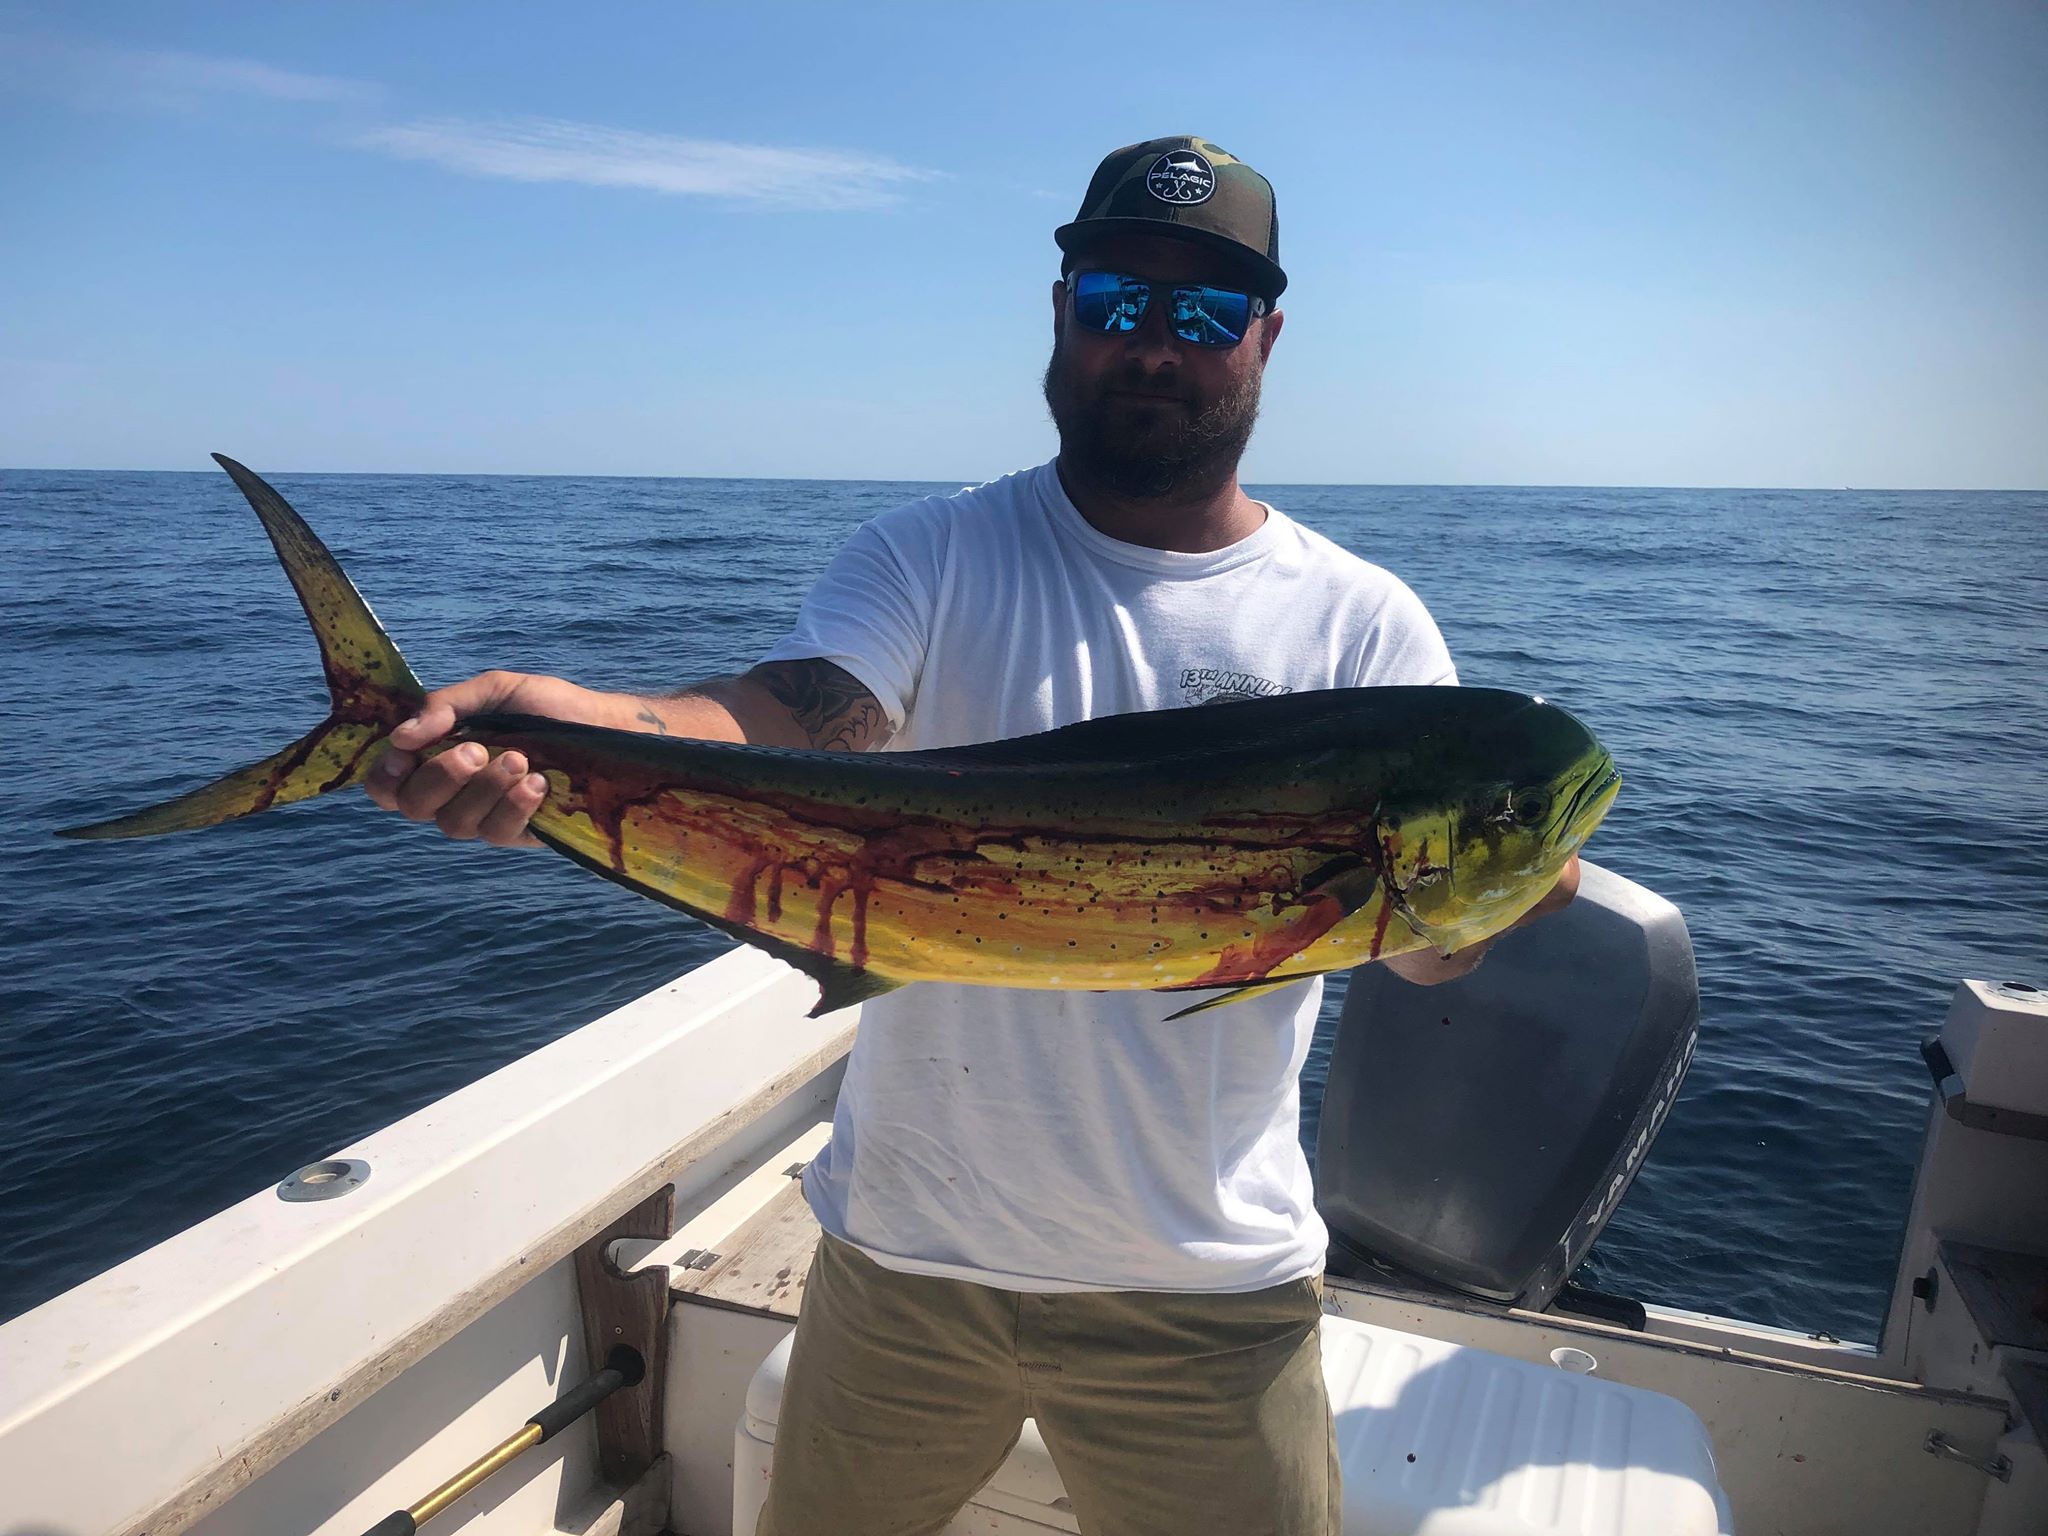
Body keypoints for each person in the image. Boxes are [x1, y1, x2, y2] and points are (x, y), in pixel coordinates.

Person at [367, 136, 1576, 1536]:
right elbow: (799, 716)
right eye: (1120, 299)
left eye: (1204, 313)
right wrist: (586, 732)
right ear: (1062, 310)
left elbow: (1417, 962)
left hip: (1205, 1287)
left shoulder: (1364, 629)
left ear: (1267, 337)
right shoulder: (929, 557)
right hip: (902, 1263)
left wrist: (1487, 904)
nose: (1157, 346)